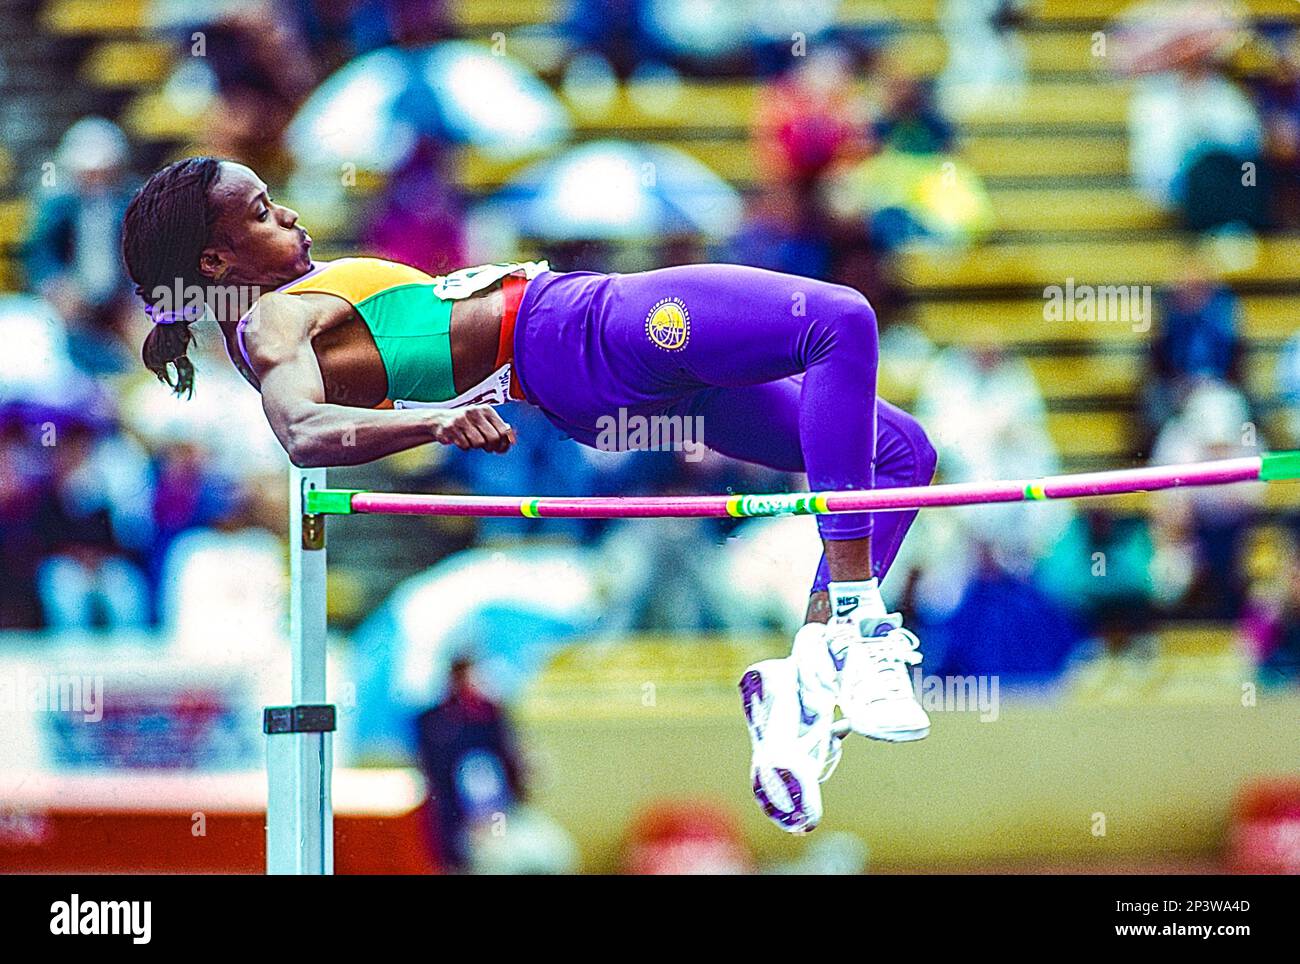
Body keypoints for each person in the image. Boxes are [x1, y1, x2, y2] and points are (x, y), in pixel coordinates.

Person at [120, 156, 939, 834]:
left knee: (900, 453)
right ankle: (860, 619)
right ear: (215, 264)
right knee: (838, 319)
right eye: (262, 214)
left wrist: (438, 413)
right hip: (580, 332)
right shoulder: (270, 325)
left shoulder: (280, 314)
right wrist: (439, 423)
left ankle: (800, 684)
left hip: (586, 390)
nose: (291, 215)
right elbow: (299, 431)